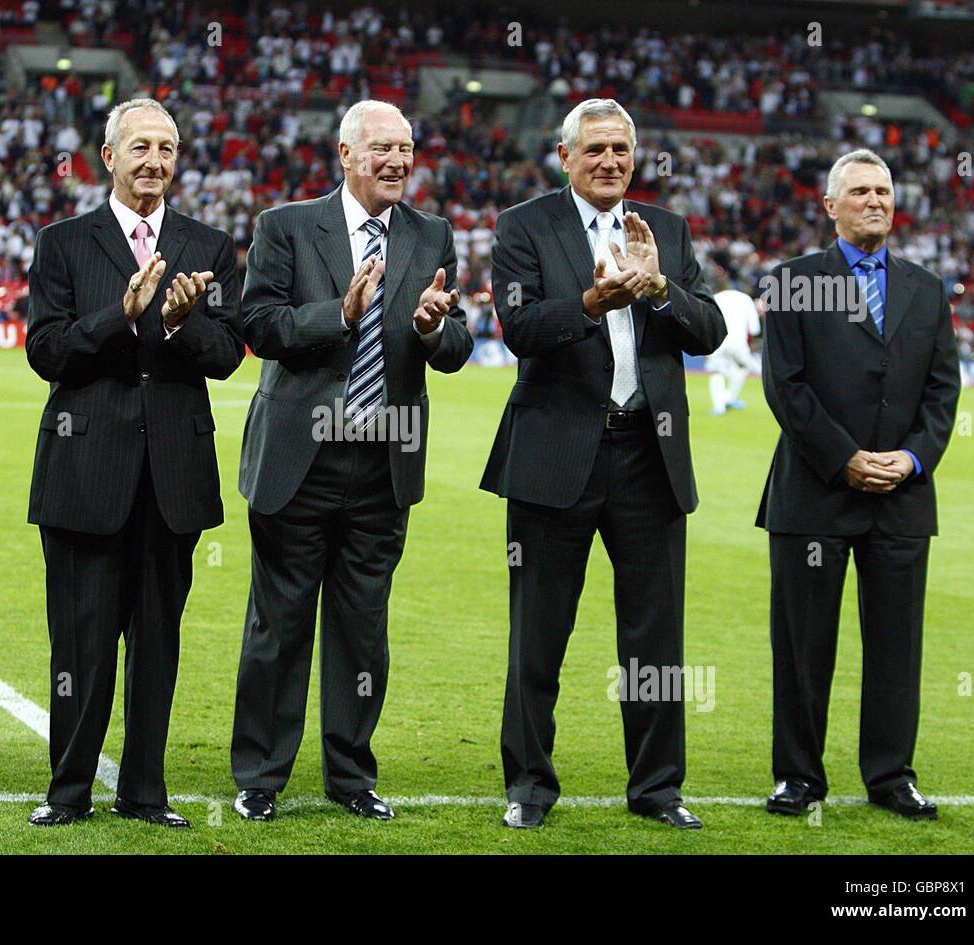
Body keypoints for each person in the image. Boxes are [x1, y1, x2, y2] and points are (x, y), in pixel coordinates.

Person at [481, 98, 726, 830]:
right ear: (565, 156)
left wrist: (658, 287)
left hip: (650, 454)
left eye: (622, 148)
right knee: (539, 630)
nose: (612, 161)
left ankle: (657, 787)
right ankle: (529, 785)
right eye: (596, 150)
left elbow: (710, 329)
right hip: (556, 452)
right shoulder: (523, 226)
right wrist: (592, 300)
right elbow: (518, 327)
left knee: (655, 636)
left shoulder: (669, 230)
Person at [231, 100, 472, 822]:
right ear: (344, 152)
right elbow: (258, 324)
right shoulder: (286, 225)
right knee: (280, 622)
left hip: (381, 464)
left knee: (363, 626)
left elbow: (456, 346)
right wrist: (338, 312)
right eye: (382, 148)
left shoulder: (433, 234)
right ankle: (261, 775)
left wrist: (433, 330)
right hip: (299, 459)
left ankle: (351, 774)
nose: (397, 161)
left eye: (405, 148)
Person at [24, 98, 244, 828]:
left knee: (156, 643)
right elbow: (45, 350)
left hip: (172, 479)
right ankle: (68, 792)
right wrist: (118, 314)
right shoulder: (64, 241)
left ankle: (146, 793)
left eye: (167, 147)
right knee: (79, 645)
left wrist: (181, 323)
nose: (155, 160)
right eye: (140, 146)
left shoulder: (209, 245)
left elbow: (227, 356)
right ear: (108, 155)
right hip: (85, 473)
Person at [758, 149, 960, 821]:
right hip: (815, 490)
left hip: (902, 497)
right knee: (802, 644)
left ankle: (890, 774)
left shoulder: (927, 289)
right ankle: (797, 775)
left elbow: (942, 392)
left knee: (898, 646)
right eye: (861, 191)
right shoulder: (792, 280)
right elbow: (784, 386)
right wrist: (844, 456)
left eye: (883, 191)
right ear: (830, 206)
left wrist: (912, 458)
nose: (875, 201)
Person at [707, 288, 761, 416]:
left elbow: (706, 322)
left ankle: (719, 407)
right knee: (743, 367)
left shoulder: (715, 297)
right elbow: (755, 329)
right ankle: (730, 398)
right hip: (738, 342)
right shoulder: (746, 300)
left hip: (717, 341)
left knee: (716, 372)